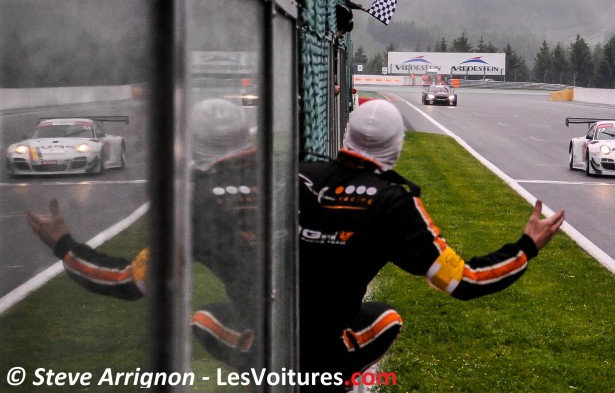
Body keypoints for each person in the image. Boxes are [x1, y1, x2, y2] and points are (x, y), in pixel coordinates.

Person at [297, 99, 565, 388]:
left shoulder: (298, 174)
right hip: (317, 351)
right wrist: (527, 247)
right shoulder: (392, 203)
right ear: (396, 146)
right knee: (388, 319)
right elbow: (466, 281)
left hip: (263, 333)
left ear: (348, 136)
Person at [27, 98, 263, 369]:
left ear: (191, 143)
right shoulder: (285, 175)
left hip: (274, 321)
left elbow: (127, 281)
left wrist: (64, 245)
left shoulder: (195, 202)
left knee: (206, 321)